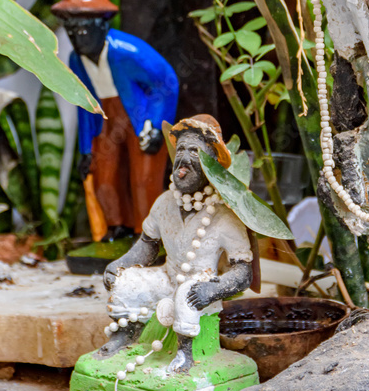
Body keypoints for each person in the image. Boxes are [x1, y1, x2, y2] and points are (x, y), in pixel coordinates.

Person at [100, 115, 254, 372]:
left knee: (187, 295)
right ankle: (124, 336)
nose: (183, 158)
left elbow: (243, 272)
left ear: (212, 164)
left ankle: (185, 353)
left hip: (201, 287)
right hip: (167, 277)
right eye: (180, 149)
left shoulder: (224, 216)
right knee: (127, 281)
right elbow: (148, 245)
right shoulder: (165, 203)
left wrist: (212, 290)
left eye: (194, 151)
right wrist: (121, 264)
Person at [52, 0, 179, 240]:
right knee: (104, 177)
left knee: (144, 178)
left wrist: (156, 125)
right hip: (105, 119)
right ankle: (117, 226)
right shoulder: (76, 60)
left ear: (102, 25)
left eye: (84, 29)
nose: (77, 37)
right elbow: (83, 104)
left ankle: (149, 234)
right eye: (72, 30)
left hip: (139, 117)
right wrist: (85, 149)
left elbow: (166, 82)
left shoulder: (126, 51)